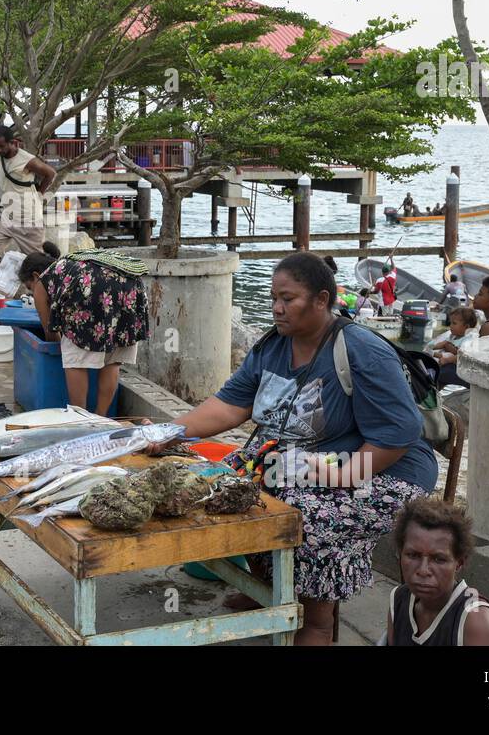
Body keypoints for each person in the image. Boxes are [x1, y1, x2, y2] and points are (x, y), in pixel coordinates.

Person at [150, 252, 437, 645]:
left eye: (288, 298)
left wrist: (342, 475)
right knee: (221, 483)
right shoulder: (272, 346)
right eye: (273, 298)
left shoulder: (360, 350)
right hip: (302, 463)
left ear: (321, 300)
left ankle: (315, 621)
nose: (277, 308)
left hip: (383, 472)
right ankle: (270, 589)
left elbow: (399, 433)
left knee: (305, 519)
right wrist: (169, 431)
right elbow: (231, 405)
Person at [21, 244, 149, 416]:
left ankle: (80, 418)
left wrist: (64, 350)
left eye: (29, 287)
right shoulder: (70, 263)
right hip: (130, 287)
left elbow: (50, 331)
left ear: (35, 276)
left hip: (93, 289)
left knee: (75, 361)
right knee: (112, 361)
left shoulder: (44, 279)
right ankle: (101, 417)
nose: (32, 292)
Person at [387, 498, 489, 646]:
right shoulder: (399, 600)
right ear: (400, 554)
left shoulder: (477, 623)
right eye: (413, 555)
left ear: (459, 563)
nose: (423, 570)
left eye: (439, 559)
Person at [0, 124, 55, 274]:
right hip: (6, 216)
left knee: (36, 261)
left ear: (12, 143)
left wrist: (39, 194)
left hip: (28, 216)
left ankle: (44, 290)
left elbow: (50, 173)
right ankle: (4, 282)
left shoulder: (27, 160)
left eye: (1, 146)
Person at [429, 306, 477, 389]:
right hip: (449, 363)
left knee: (439, 374)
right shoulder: (453, 336)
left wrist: (447, 360)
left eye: (454, 323)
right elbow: (444, 344)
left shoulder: (469, 339)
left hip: (459, 368)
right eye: (450, 323)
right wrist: (434, 346)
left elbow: (462, 356)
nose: (450, 326)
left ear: (466, 327)